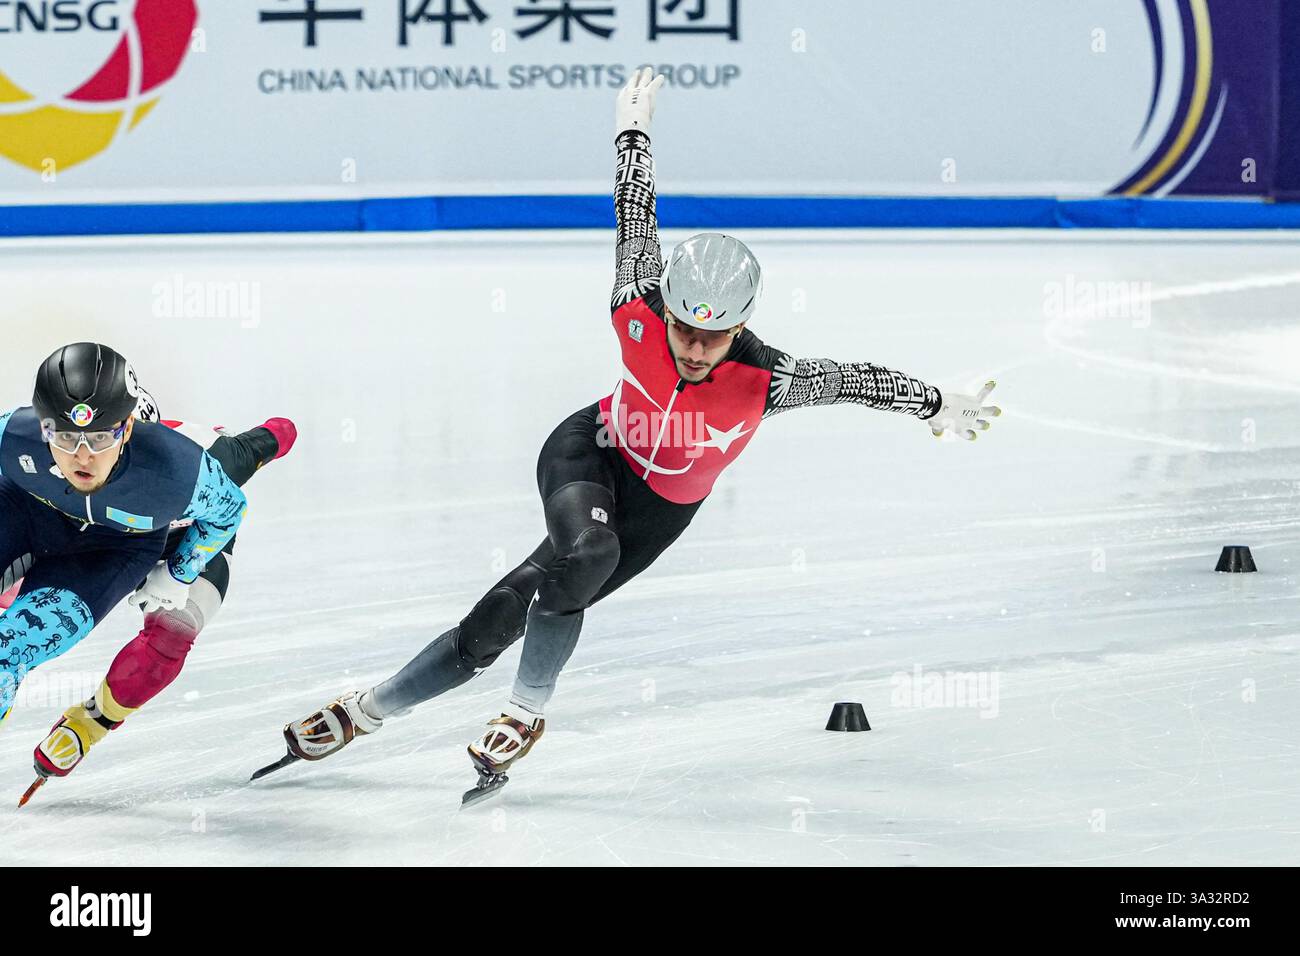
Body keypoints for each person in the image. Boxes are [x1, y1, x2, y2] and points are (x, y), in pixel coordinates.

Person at [269, 70, 999, 793]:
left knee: (513, 607)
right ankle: (406, 713)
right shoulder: (636, 302)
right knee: (583, 553)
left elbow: (857, 380)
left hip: (662, 508)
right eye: (683, 327)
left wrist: (935, 403)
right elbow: (634, 209)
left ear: (742, 327)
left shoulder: (770, 380)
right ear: (667, 306)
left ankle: (441, 712)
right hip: (591, 449)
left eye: (714, 339)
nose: (692, 347)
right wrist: (634, 130)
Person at [0, 343, 260, 802]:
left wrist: (180, 572)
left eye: (100, 438)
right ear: (43, 428)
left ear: (129, 430)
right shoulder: (13, 436)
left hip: (115, 550)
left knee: (13, 648)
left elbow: (235, 500)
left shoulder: (186, 467)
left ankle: (93, 720)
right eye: (64, 438)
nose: (83, 456)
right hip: (33, 514)